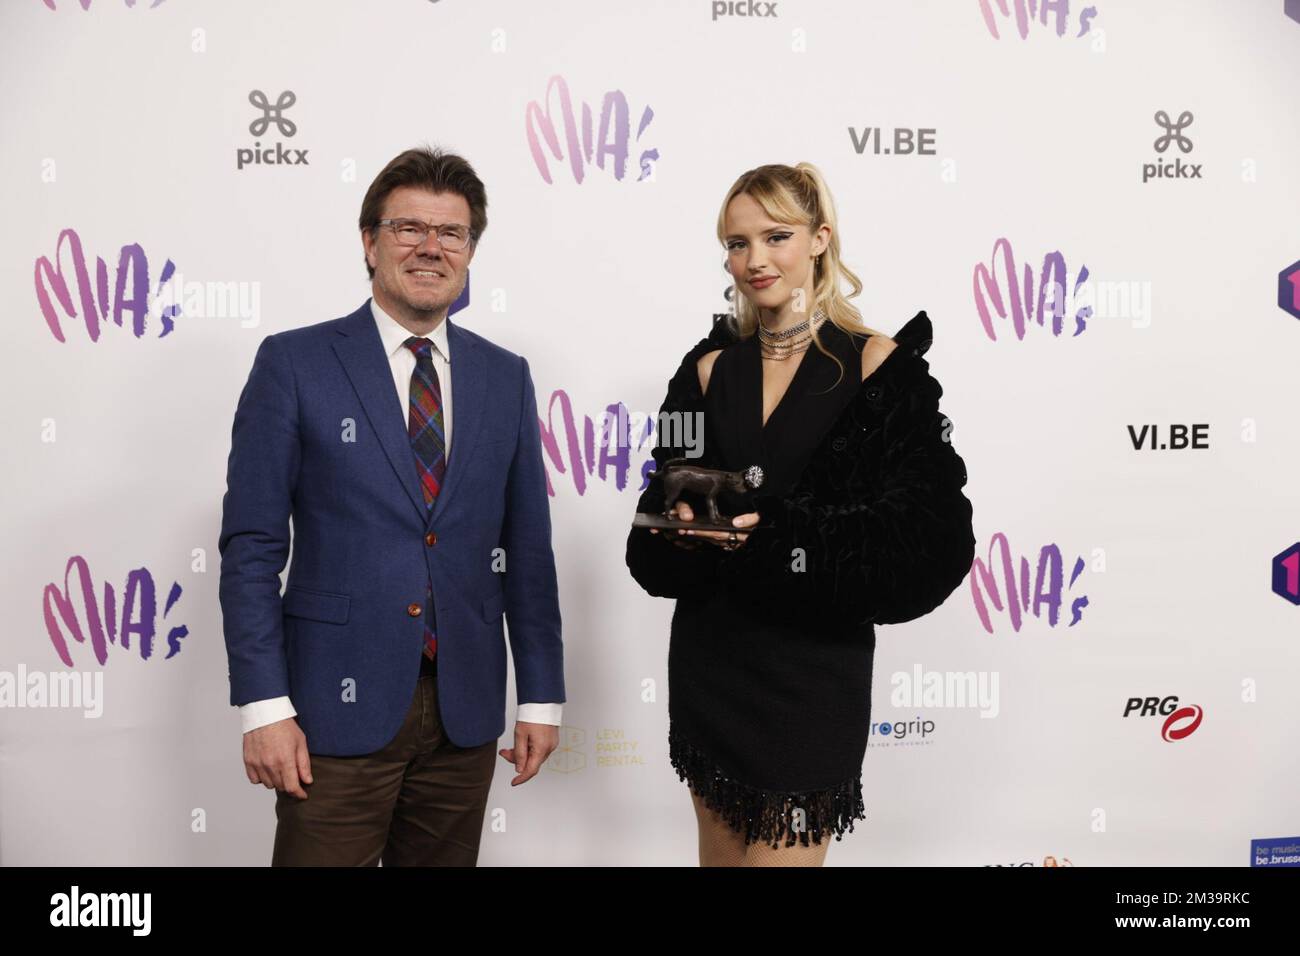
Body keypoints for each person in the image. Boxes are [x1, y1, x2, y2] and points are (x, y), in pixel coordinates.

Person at [219, 146, 565, 866]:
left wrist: (540, 697)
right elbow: (252, 545)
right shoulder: (295, 364)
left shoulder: (506, 377)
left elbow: (527, 549)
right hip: (330, 715)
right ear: (369, 240)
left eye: (452, 233)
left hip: (464, 714)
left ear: (470, 251)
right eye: (409, 227)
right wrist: (264, 706)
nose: (430, 247)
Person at [626, 162, 975, 867]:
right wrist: (684, 528)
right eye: (735, 243)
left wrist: (784, 537)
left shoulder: (881, 370)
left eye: (775, 236)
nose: (753, 260)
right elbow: (660, 511)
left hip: (813, 678)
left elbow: (929, 538)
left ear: (819, 239)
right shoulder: (705, 371)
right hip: (711, 667)